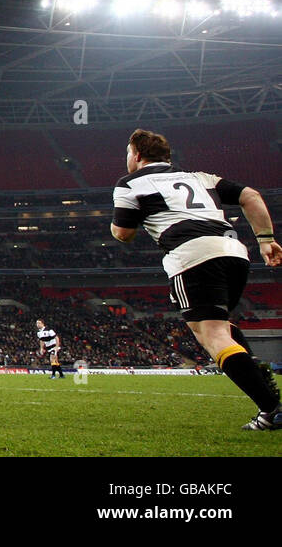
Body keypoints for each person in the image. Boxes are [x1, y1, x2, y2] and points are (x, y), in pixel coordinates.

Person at [111, 128, 282, 430]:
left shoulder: (129, 183)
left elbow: (124, 233)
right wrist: (266, 239)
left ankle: (272, 409)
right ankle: (263, 387)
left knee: (212, 335)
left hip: (191, 254)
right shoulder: (201, 177)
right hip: (234, 252)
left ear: (137, 155)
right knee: (222, 327)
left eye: (127, 152)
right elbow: (251, 196)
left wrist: (117, 228)